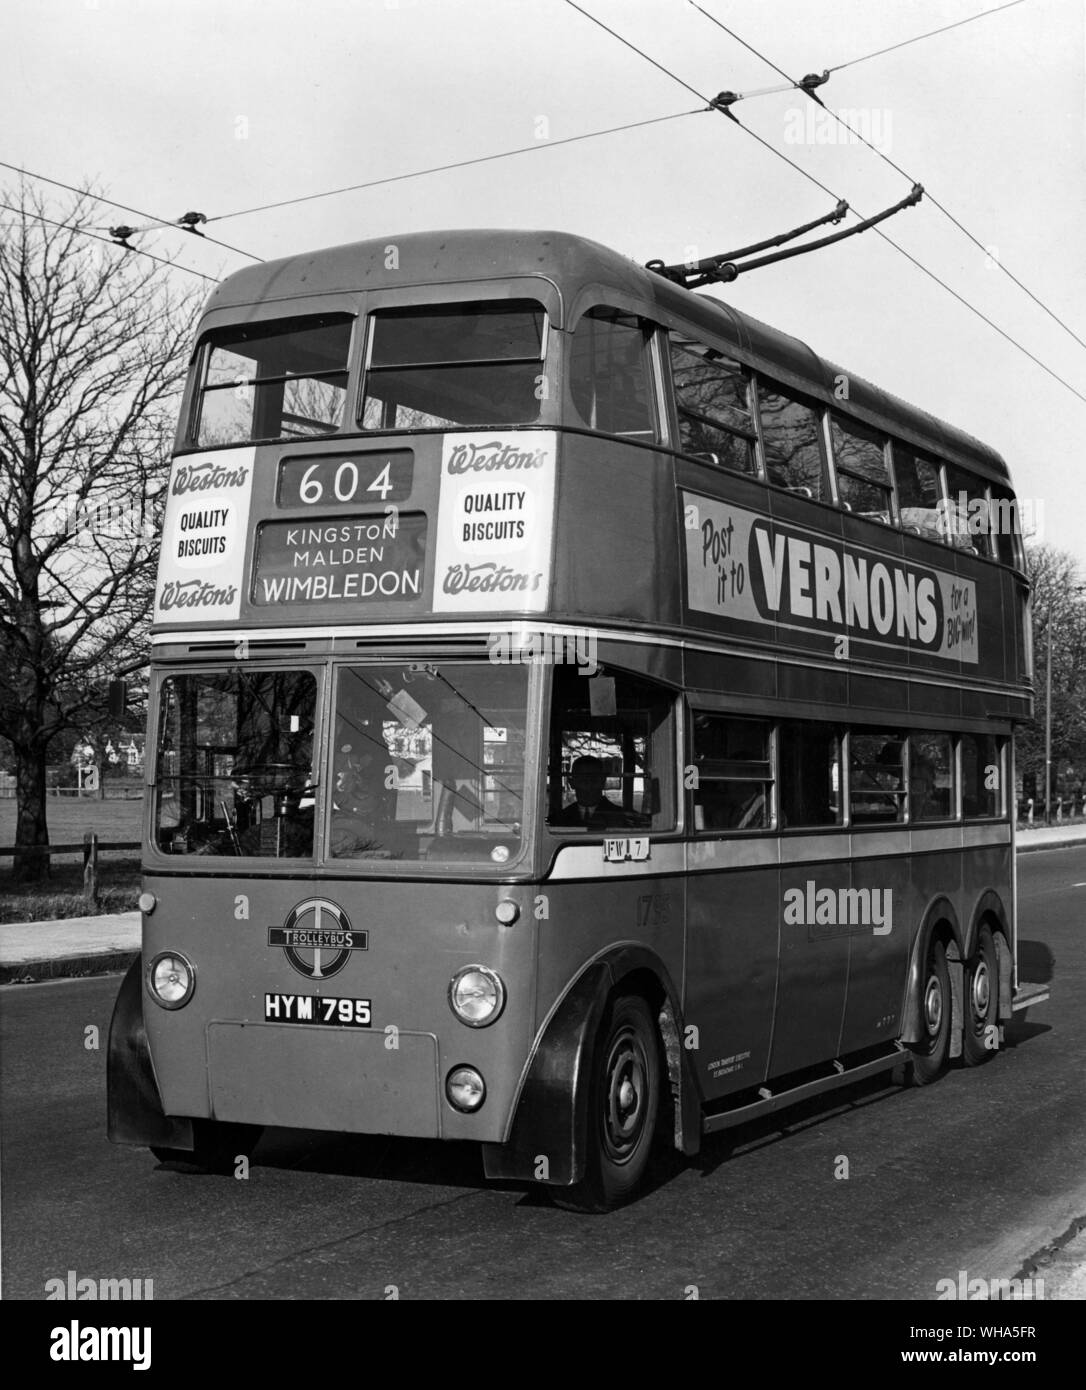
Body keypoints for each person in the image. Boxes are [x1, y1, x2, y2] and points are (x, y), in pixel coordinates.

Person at [551, 755, 631, 828]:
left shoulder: (621, 818)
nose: (589, 786)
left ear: (603, 782)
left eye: (594, 779)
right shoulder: (559, 819)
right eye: (582, 780)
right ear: (572, 783)